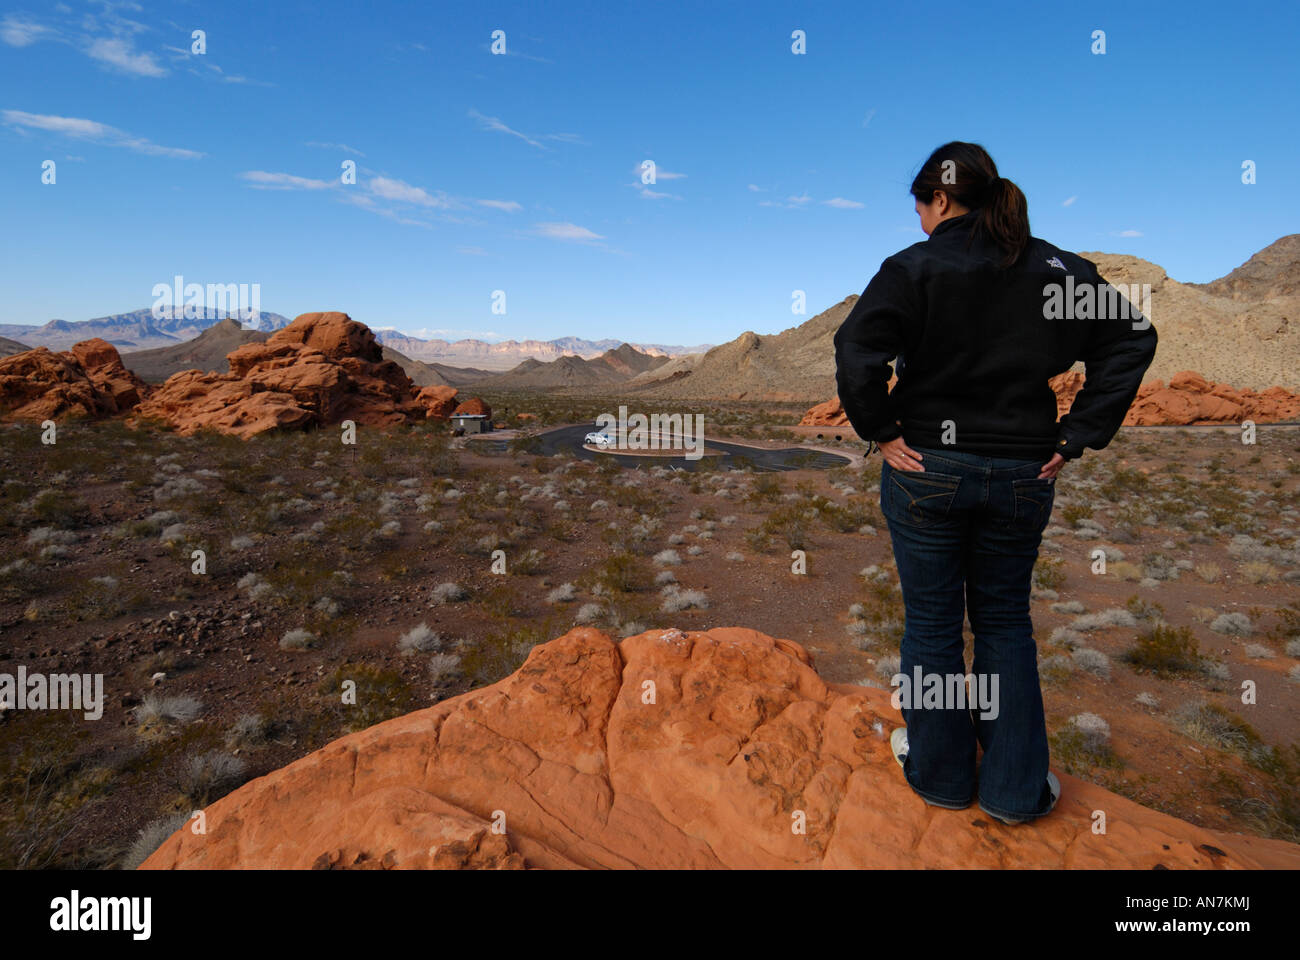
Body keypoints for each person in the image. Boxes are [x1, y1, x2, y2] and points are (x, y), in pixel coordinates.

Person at [832, 141, 1157, 825]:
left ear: (941, 199)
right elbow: (1132, 338)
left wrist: (882, 431)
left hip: (928, 470)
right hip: (1023, 470)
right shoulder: (1054, 268)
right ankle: (1014, 791)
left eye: (919, 204)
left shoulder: (913, 267)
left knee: (932, 625)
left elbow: (855, 349)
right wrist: (1076, 435)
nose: (919, 217)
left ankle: (941, 775)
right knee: (1006, 623)